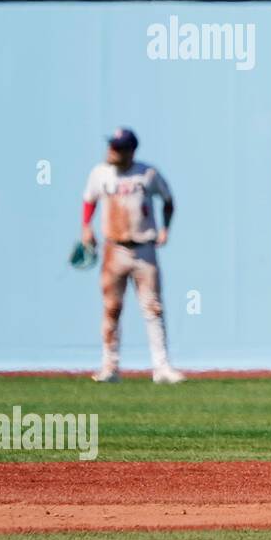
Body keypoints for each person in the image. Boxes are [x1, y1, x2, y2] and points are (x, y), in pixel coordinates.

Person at [81, 128, 185, 385]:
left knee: (152, 308)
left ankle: (161, 368)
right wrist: (86, 228)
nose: (112, 151)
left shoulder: (147, 173)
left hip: (144, 249)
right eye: (111, 146)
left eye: (118, 147)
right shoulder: (100, 173)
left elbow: (169, 200)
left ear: (131, 150)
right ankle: (110, 368)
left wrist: (165, 229)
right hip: (114, 248)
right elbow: (89, 200)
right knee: (112, 308)